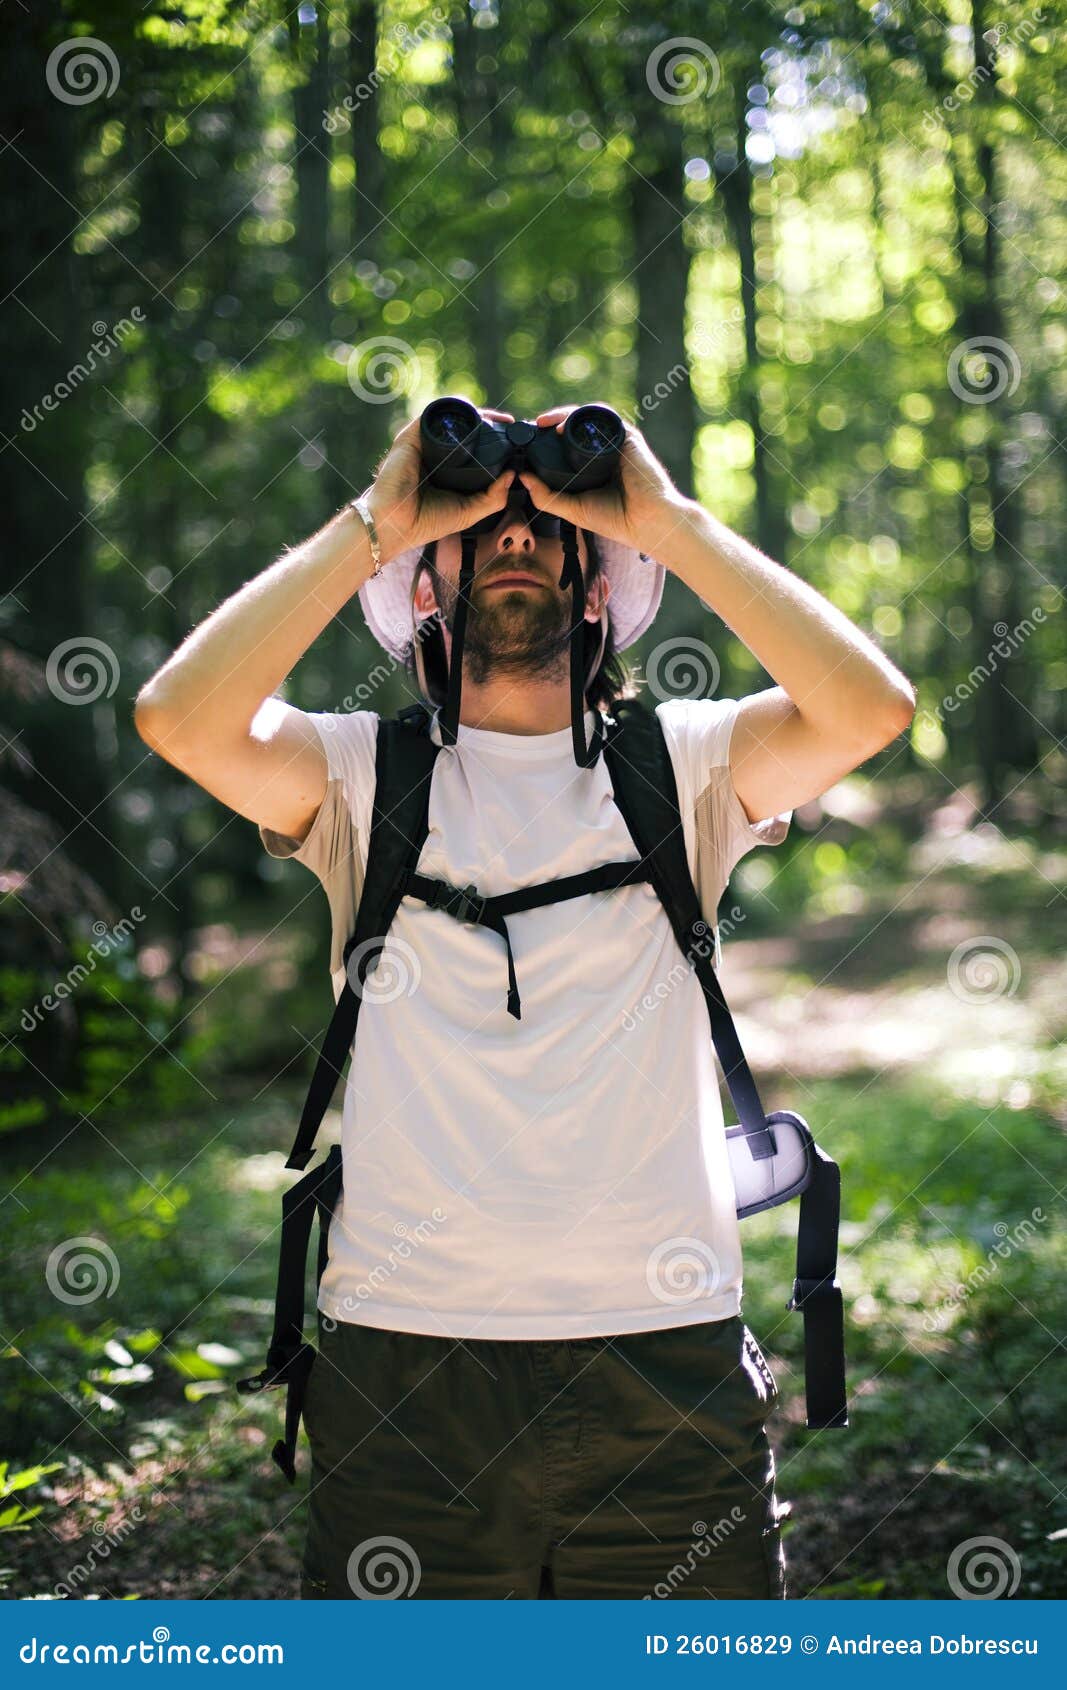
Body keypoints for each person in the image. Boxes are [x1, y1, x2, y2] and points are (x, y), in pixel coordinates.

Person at [134, 402, 915, 1600]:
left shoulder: (685, 764)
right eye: (479, 525)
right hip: (404, 1369)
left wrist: (664, 518)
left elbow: (870, 709)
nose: (515, 535)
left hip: (663, 1359)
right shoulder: (358, 773)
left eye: (548, 524)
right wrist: (375, 520)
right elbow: (175, 718)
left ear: (597, 589)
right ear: (426, 586)